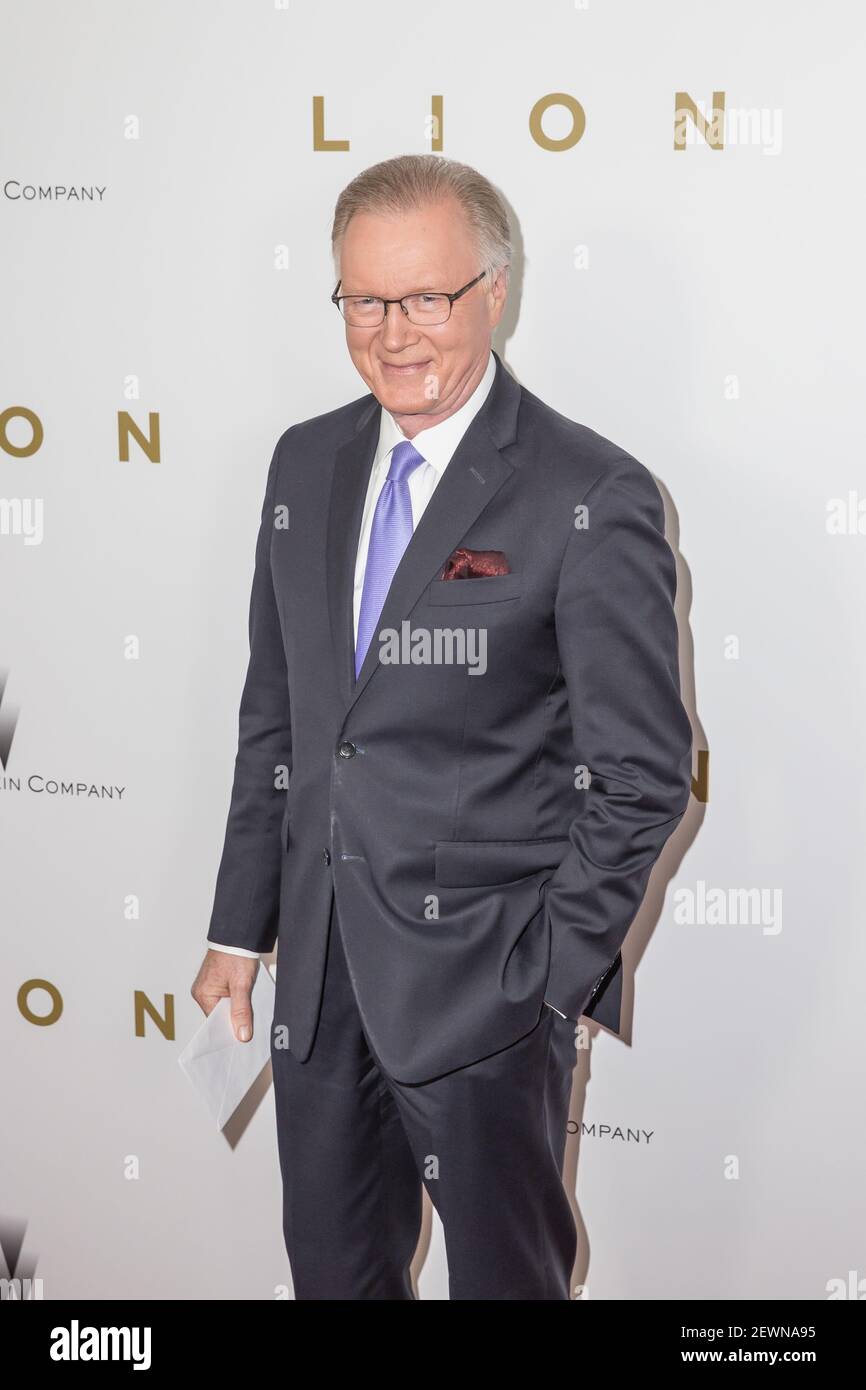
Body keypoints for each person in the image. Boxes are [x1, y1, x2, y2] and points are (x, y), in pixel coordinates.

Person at [191, 153, 693, 1300]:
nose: (392, 334)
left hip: (486, 996)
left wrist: (542, 982)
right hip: (316, 987)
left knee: (506, 1286)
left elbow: (641, 774)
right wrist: (238, 930)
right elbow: (279, 719)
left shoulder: (589, 490)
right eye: (364, 300)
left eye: (426, 297)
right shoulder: (302, 461)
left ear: (494, 291)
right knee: (332, 1279)